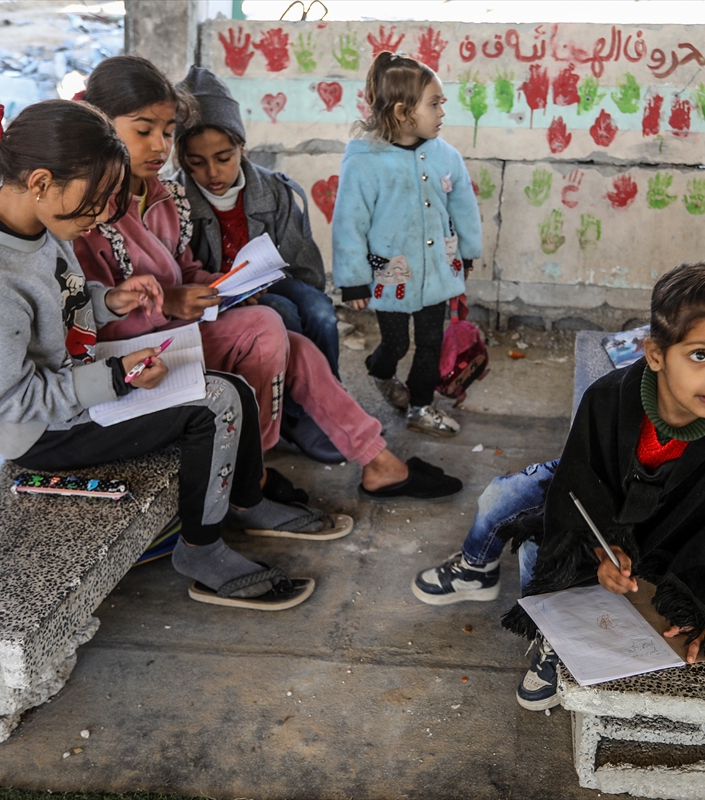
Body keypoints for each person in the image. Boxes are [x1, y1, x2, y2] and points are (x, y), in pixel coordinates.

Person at [0, 99, 321, 610]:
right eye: (93, 203)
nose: (97, 218)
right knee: (215, 404)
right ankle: (201, 551)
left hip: (70, 376)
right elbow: (12, 401)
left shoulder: (34, 221)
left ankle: (246, 502)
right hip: (35, 430)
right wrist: (117, 377)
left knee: (237, 390)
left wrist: (109, 300)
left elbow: (60, 300)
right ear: (41, 182)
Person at [74, 55, 463, 505]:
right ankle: (250, 478)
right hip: (136, 355)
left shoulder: (160, 194)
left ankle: (377, 461)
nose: (159, 146)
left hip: (176, 331)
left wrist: (219, 285)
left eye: (166, 132)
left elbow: (183, 268)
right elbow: (97, 319)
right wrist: (169, 302)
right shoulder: (88, 209)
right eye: (144, 131)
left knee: (300, 343)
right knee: (267, 327)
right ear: (100, 124)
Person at [413, 263, 705, 710]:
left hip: (666, 533)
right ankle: (489, 578)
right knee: (513, 506)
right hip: (607, 496)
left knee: (541, 548)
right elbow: (579, 486)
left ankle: (562, 644)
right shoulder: (607, 398)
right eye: (700, 355)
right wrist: (602, 550)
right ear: (655, 355)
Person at [174, 66, 343, 464]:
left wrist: (282, 284)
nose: (212, 173)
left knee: (320, 311)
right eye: (196, 162)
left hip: (270, 281)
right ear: (181, 158)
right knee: (283, 313)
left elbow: (302, 265)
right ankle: (294, 413)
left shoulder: (274, 189)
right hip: (217, 296)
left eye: (224, 158)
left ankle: (329, 403)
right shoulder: (175, 199)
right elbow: (182, 272)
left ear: (242, 147)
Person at [332, 52, 482, 438]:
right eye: (433, 104)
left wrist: (467, 251)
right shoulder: (364, 162)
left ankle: (420, 406)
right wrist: (353, 280)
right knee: (396, 343)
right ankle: (379, 369)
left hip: (437, 269)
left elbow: (463, 205)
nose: (442, 112)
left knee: (431, 342)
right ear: (402, 111)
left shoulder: (445, 155)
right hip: (392, 275)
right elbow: (349, 222)